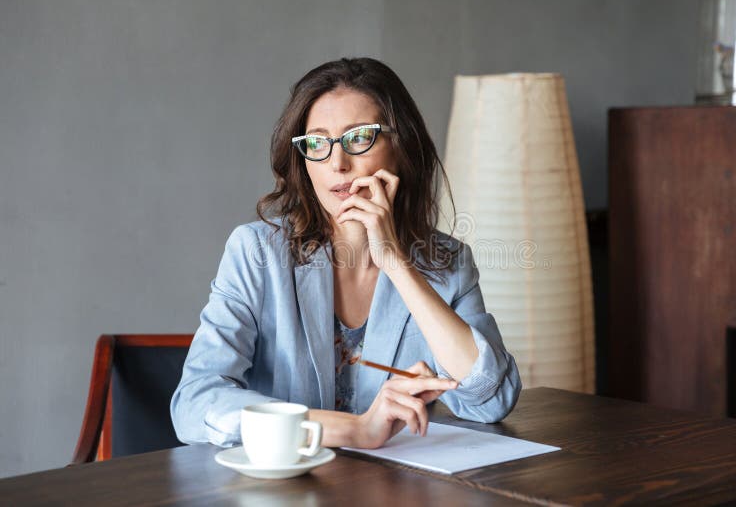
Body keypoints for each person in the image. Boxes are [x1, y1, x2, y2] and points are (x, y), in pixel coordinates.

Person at [170, 57, 521, 450]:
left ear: (402, 146)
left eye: (359, 138)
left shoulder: (447, 262)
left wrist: (396, 263)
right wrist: (348, 430)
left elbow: (491, 399)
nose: (338, 164)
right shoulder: (255, 252)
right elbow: (195, 404)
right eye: (317, 143)